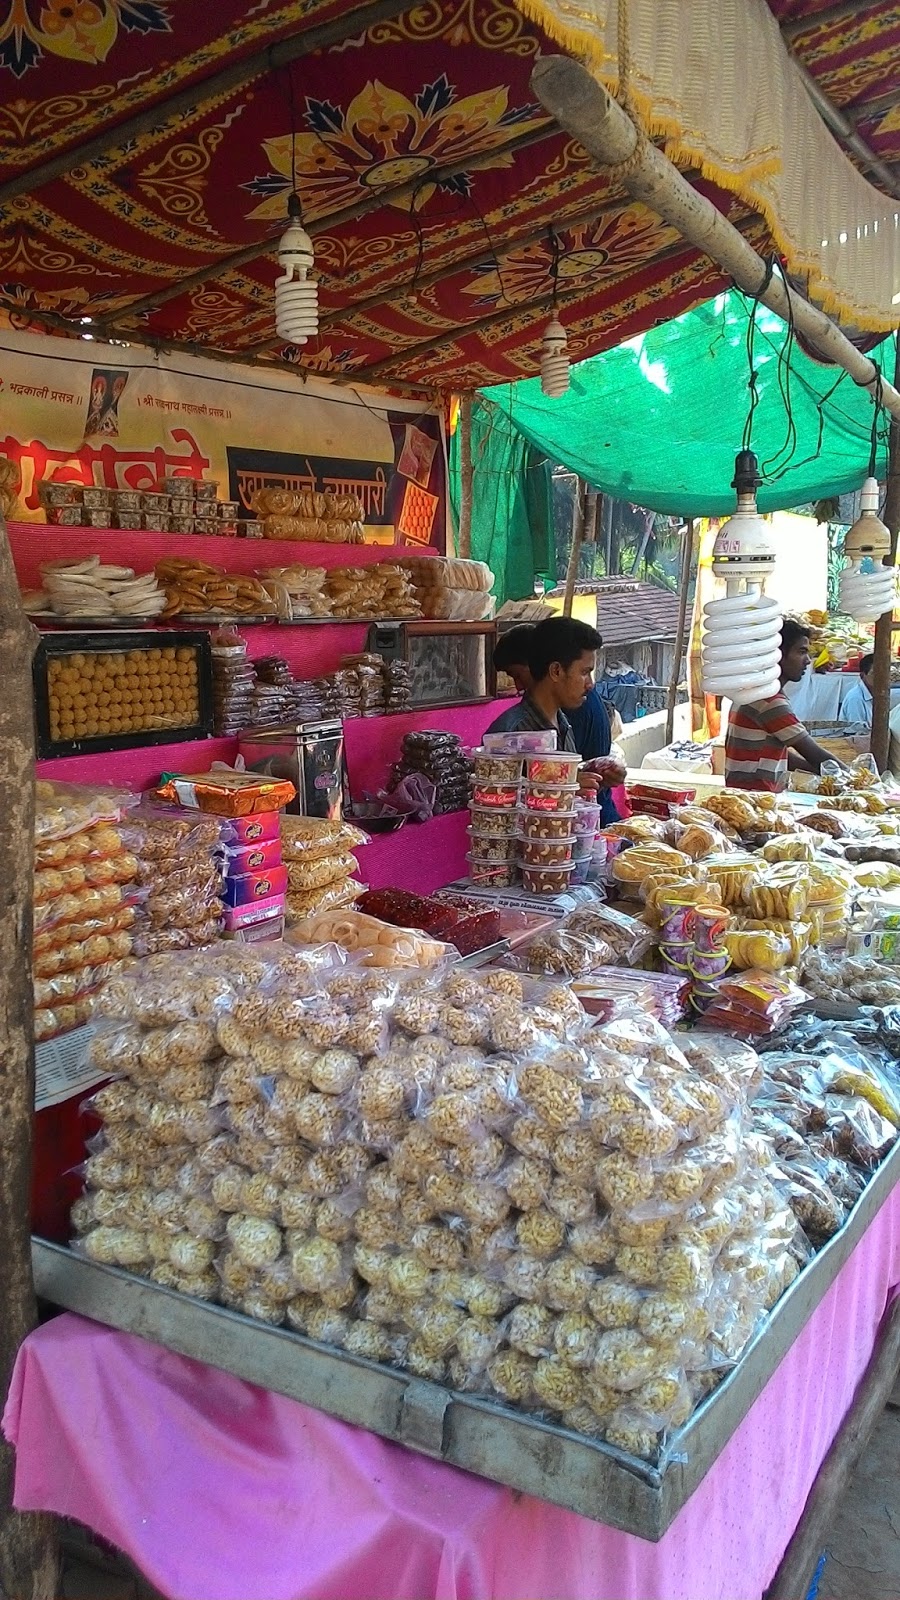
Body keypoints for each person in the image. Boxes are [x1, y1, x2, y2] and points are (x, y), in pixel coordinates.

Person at [487, 618, 626, 816]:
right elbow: (492, 808)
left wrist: (595, 778)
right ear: (556, 671)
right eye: (584, 672)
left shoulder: (563, 723)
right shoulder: (508, 734)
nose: (590, 684)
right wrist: (563, 789)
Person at [724, 619, 839, 792]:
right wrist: (856, 780)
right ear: (778, 655)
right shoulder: (769, 701)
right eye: (801, 652)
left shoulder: (752, 691)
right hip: (757, 797)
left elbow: (778, 753)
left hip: (745, 792)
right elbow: (816, 755)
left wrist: (819, 772)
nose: (808, 661)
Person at [839, 653, 874, 728]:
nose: (881, 677)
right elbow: (859, 732)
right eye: (874, 673)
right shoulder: (855, 699)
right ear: (862, 675)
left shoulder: (879, 694)